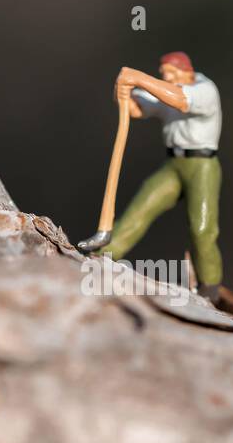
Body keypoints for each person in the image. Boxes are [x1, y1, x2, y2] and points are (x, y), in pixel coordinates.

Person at [78, 51, 224, 302]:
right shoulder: (168, 89)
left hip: (202, 166)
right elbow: (135, 109)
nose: (165, 77)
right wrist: (122, 90)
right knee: (144, 204)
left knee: (201, 228)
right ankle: (106, 254)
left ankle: (210, 286)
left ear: (184, 71)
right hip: (174, 165)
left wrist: (138, 78)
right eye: (163, 74)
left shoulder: (204, 90)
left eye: (168, 73)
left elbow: (180, 101)